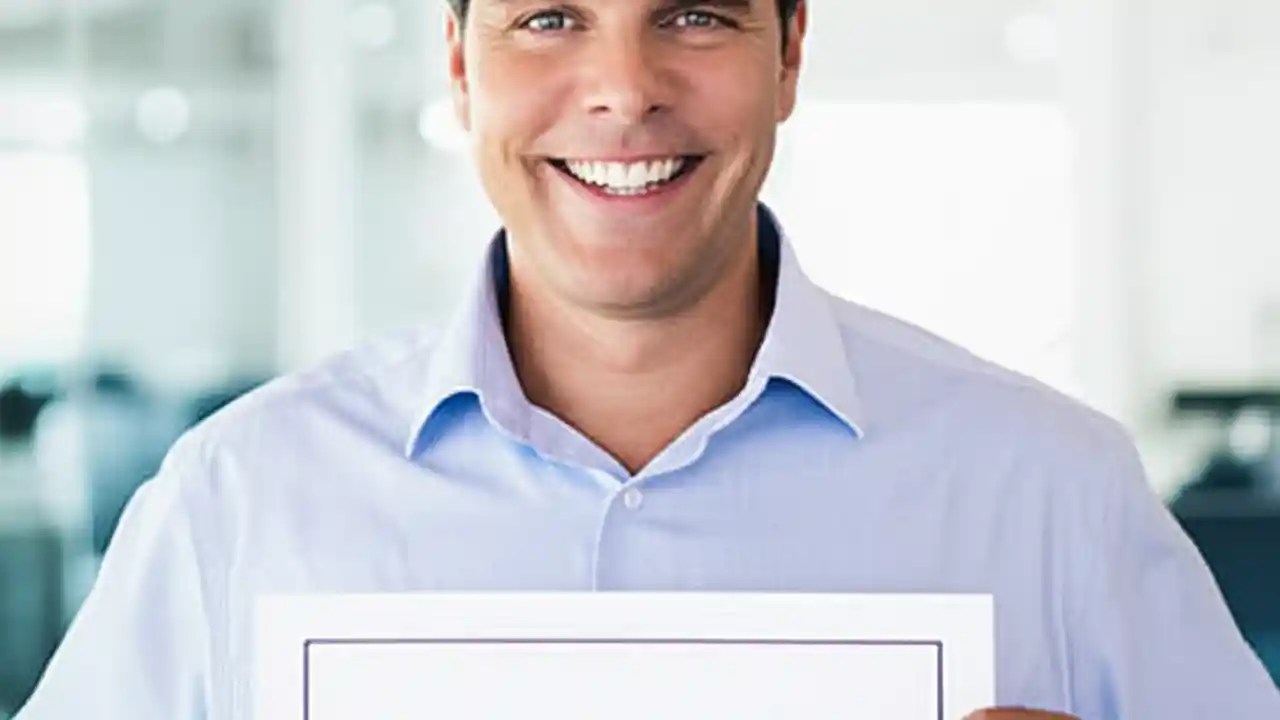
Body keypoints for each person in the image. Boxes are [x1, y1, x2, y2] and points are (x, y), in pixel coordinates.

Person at [16, 1, 1280, 718]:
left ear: (789, 53)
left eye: (691, 15)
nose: (622, 89)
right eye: (549, 19)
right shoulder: (236, 504)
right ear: (459, 67)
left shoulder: (1049, 495)